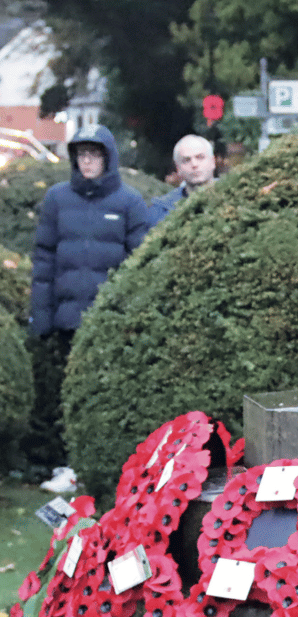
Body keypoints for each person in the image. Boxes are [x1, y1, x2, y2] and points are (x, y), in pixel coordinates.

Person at [27, 124, 151, 473]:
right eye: (82, 154)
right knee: (68, 394)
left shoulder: (129, 202)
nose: (88, 161)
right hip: (68, 320)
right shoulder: (57, 199)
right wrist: (41, 315)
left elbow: (140, 262)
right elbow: (44, 260)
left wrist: (128, 317)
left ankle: (107, 465)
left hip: (109, 322)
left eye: (94, 155)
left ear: (108, 158)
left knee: (108, 393)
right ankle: (68, 464)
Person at [149, 134, 217, 224]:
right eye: (186, 160)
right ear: (178, 169)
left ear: (213, 161)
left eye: (200, 157)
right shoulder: (161, 210)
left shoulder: (234, 196)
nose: (194, 164)